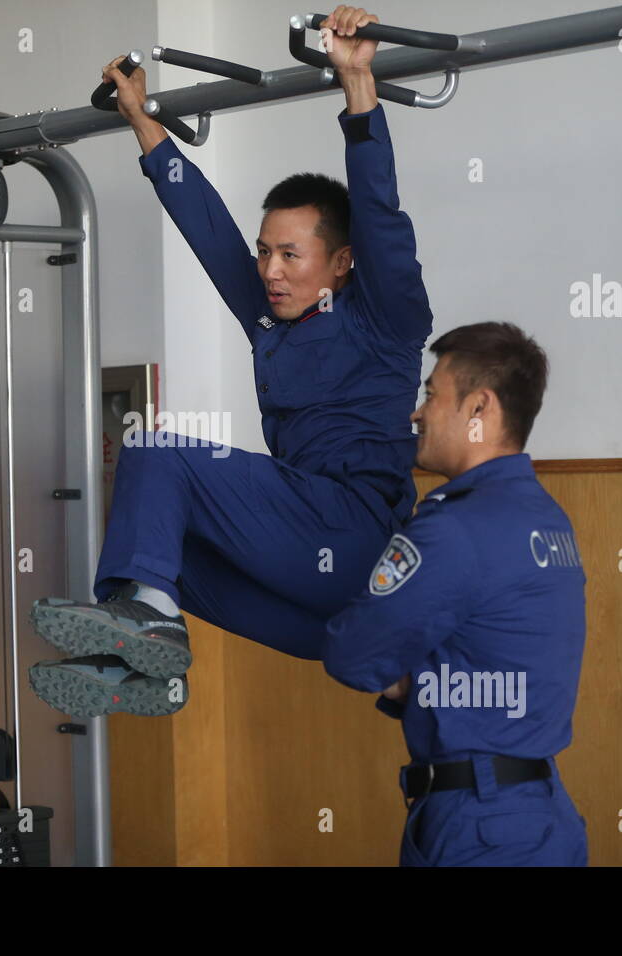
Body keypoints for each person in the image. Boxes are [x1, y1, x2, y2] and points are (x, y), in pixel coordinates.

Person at [28, 6, 433, 718]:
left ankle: (143, 623)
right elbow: (205, 221)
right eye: (265, 251)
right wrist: (141, 120)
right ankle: (147, 664)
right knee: (168, 549)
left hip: (355, 532)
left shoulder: (386, 318)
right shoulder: (268, 317)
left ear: (341, 262)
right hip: (321, 606)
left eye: (290, 254)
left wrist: (358, 85)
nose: (270, 269)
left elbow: (381, 211)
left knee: (152, 452)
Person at [323, 321, 588, 866]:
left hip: (480, 824)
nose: (417, 413)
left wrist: (406, 675)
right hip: (542, 814)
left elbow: (352, 655)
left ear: (478, 409)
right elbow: (491, 649)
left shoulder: (456, 529)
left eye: (430, 394)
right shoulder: (545, 518)